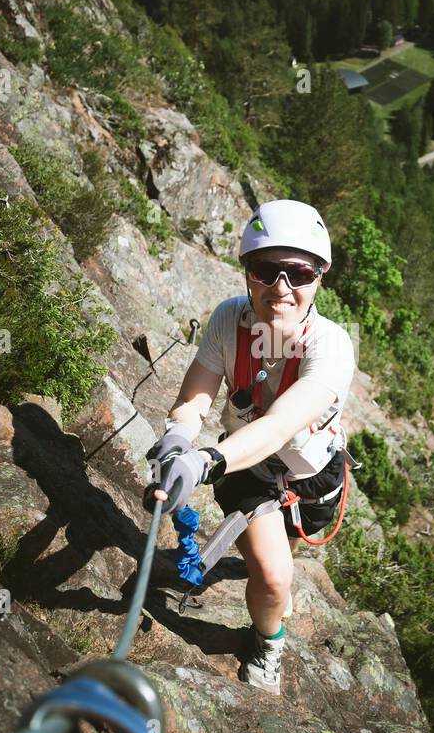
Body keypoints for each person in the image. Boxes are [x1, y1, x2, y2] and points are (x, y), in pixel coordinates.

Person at [143, 199, 356, 695]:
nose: (281, 289)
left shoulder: (331, 347)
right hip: (247, 471)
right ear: (247, 273)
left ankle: (269, 565)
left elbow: (282, 424)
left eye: (298, 273)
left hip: (311, 481)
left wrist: (205, 460)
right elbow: (195, 397)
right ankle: (269, 640)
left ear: (318, 279)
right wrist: (178, 439)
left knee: (284, 554)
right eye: (266, 270)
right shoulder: (227, 322)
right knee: (276, 581)